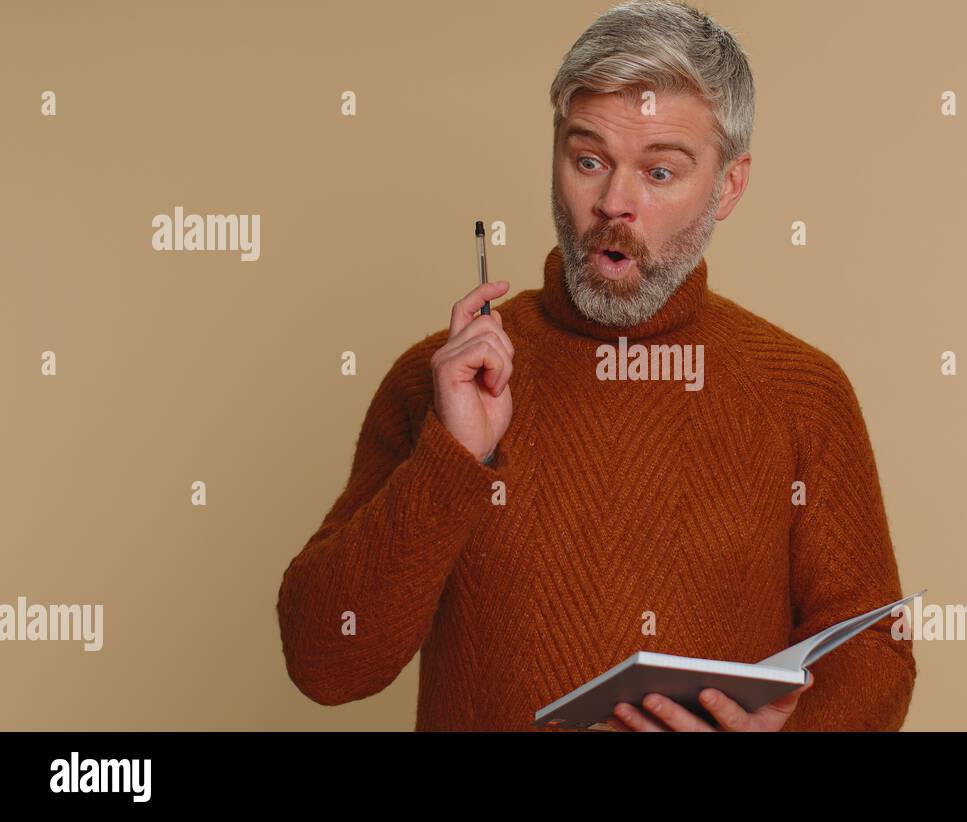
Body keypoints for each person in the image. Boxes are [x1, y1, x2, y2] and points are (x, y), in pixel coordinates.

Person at [276, 0, 915, 731]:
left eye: (661, 172)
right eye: (589, 161)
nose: (615, 203)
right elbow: (326, 662)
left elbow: (874, 654)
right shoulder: (438, 382)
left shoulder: (803, 394)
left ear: (728, 186)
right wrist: (453, 455)